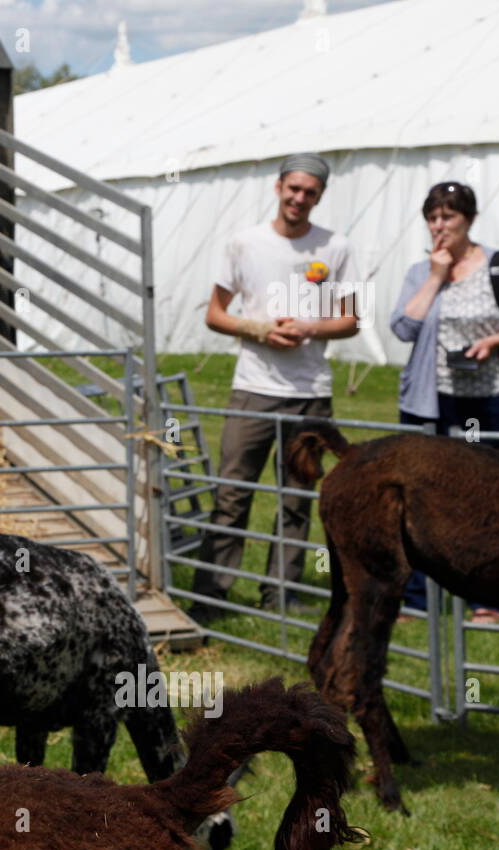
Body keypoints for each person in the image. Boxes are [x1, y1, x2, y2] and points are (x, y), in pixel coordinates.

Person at [189, 153, 359, 626]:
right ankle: (210, 597)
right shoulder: (244, 243)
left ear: (319, 197)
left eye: (310, 193)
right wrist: (261, 330)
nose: (299, 199)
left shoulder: (337, 246)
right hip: (254, 389)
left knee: (297, 498)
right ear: (278, 186)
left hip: (311, 391)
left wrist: (310, 327)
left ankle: (281, 595)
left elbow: (349, 320)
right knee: (232, 495)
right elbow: (215, 314)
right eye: (294, 189)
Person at [390, 181, 499, 624]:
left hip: (492, 400)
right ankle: (417, 598)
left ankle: (491, 596)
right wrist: (434, 275)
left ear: (469, 219)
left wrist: (496, 340)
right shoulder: (420, 270)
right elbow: (403, 328)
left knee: (491, 498)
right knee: (424, 496)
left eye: (449, 217)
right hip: (433, 400)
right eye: (432, 217)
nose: (439, 226)